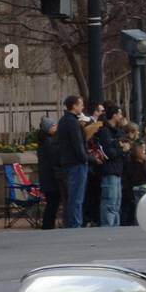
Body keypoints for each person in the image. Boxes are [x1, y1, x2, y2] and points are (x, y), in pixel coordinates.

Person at [55, 95, 89, 227]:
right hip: (76, 163)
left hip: (68, 162)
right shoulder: (72, 122)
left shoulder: (64, 120)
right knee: (76, 198)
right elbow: (77, 145)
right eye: (80, 104)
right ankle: (75, 224)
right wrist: (87, 158)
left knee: (73, 197)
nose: (83, 107)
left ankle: (73, 223)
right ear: (74, 106)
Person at [95, 104, 127, 226]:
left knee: (116, 204)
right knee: (110, 203)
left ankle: (115, 228)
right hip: (109, 170)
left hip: (117, 170)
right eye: (119, 113)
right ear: (114, 115)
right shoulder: (105, 131)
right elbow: (110, 152)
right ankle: (108, 228)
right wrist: (121, 149)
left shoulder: (116, 131)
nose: (121, 116)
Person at [36, 116, 60, 228]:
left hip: (47, 177)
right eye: (54, 125)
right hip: (50, 178)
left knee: (52, 203)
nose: (56, 127)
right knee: (52, 203)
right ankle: (48, 225)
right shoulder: (48, 142)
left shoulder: (45, 140)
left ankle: (48, 224)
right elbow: (54, 157)